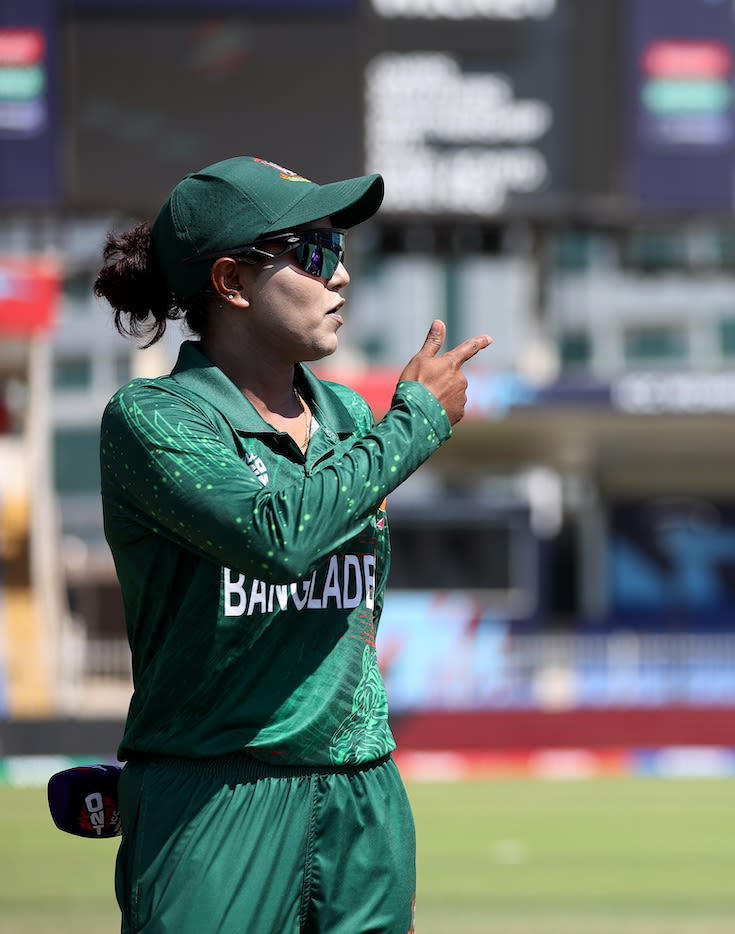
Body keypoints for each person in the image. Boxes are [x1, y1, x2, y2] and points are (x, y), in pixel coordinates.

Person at [92, 155, 491, 933]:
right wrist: (413, 423)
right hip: (216, 797)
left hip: (361, 792)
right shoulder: (153, 419)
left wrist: (371, 807)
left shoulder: (348, 415)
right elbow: (278, 539)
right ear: (232, 282)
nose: (339, 274)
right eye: (312, 252)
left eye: (340, 248)